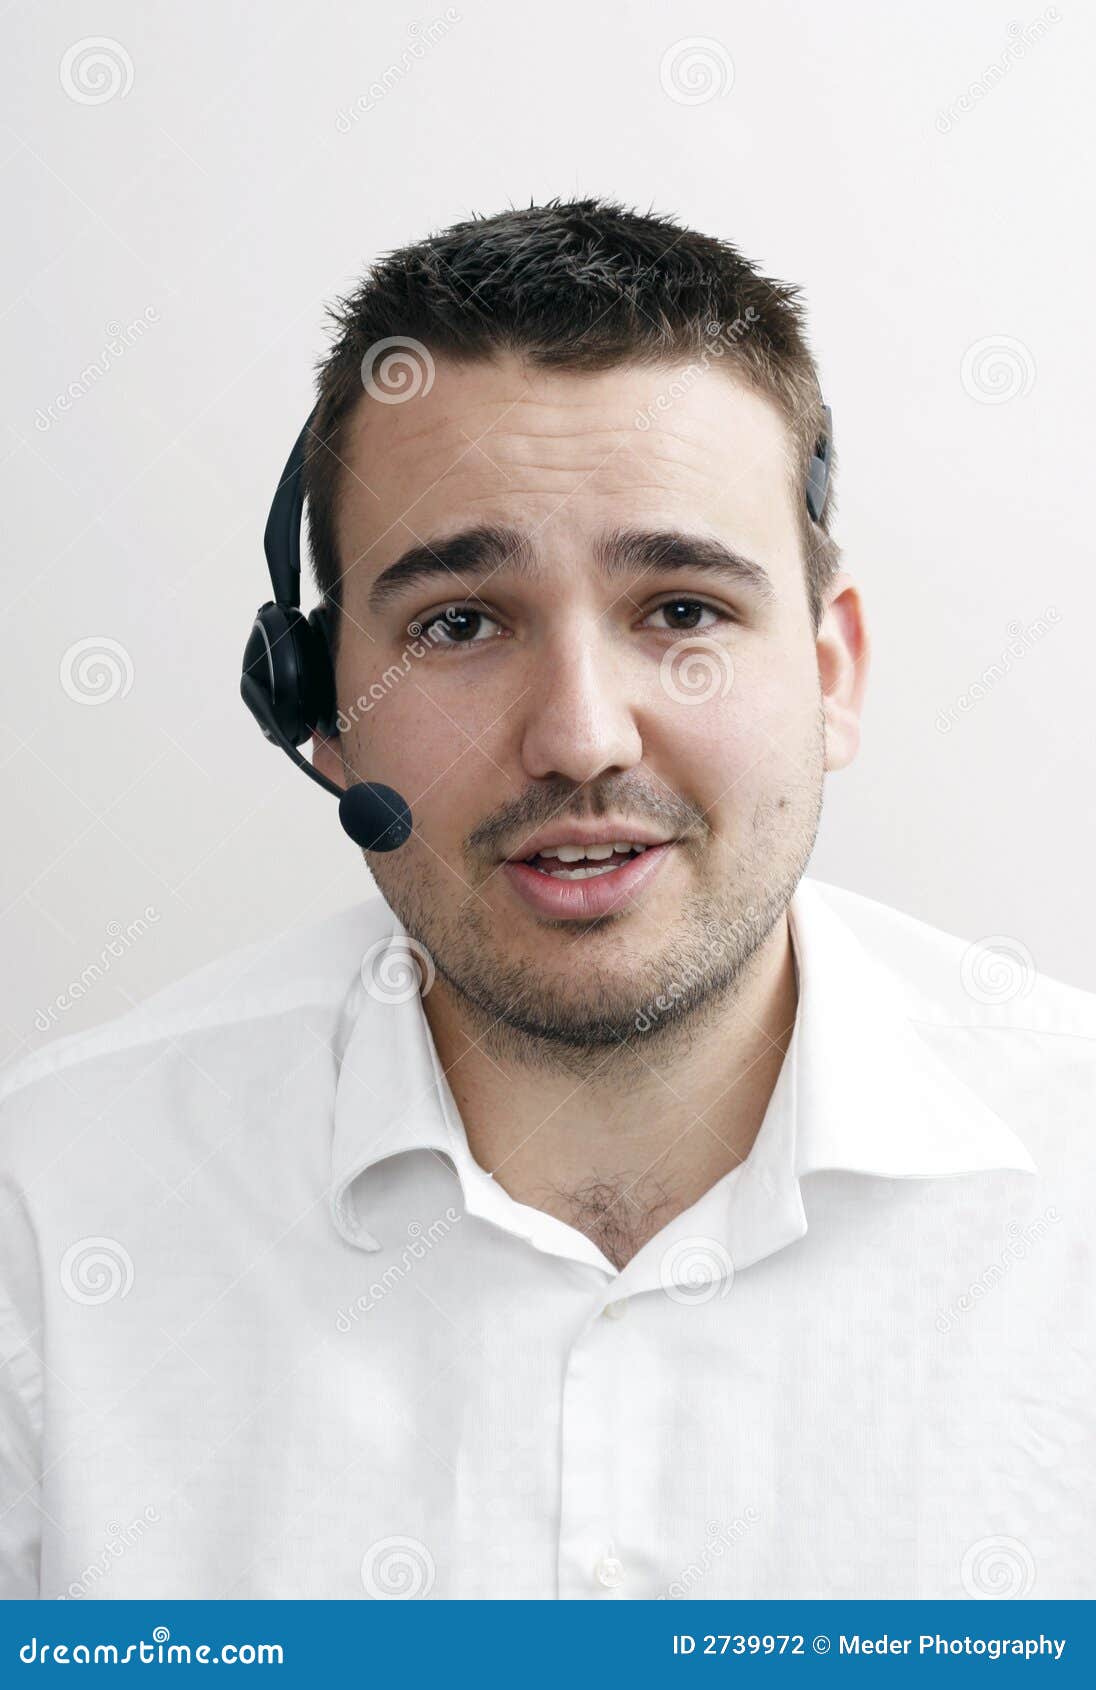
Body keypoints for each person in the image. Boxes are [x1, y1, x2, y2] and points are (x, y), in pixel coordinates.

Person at [1, 199, 1092, 1602]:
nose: (581, 736)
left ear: (830, 676)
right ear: (317, 709)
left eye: (684, 610)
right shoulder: (50, 1214)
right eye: (460, 624)